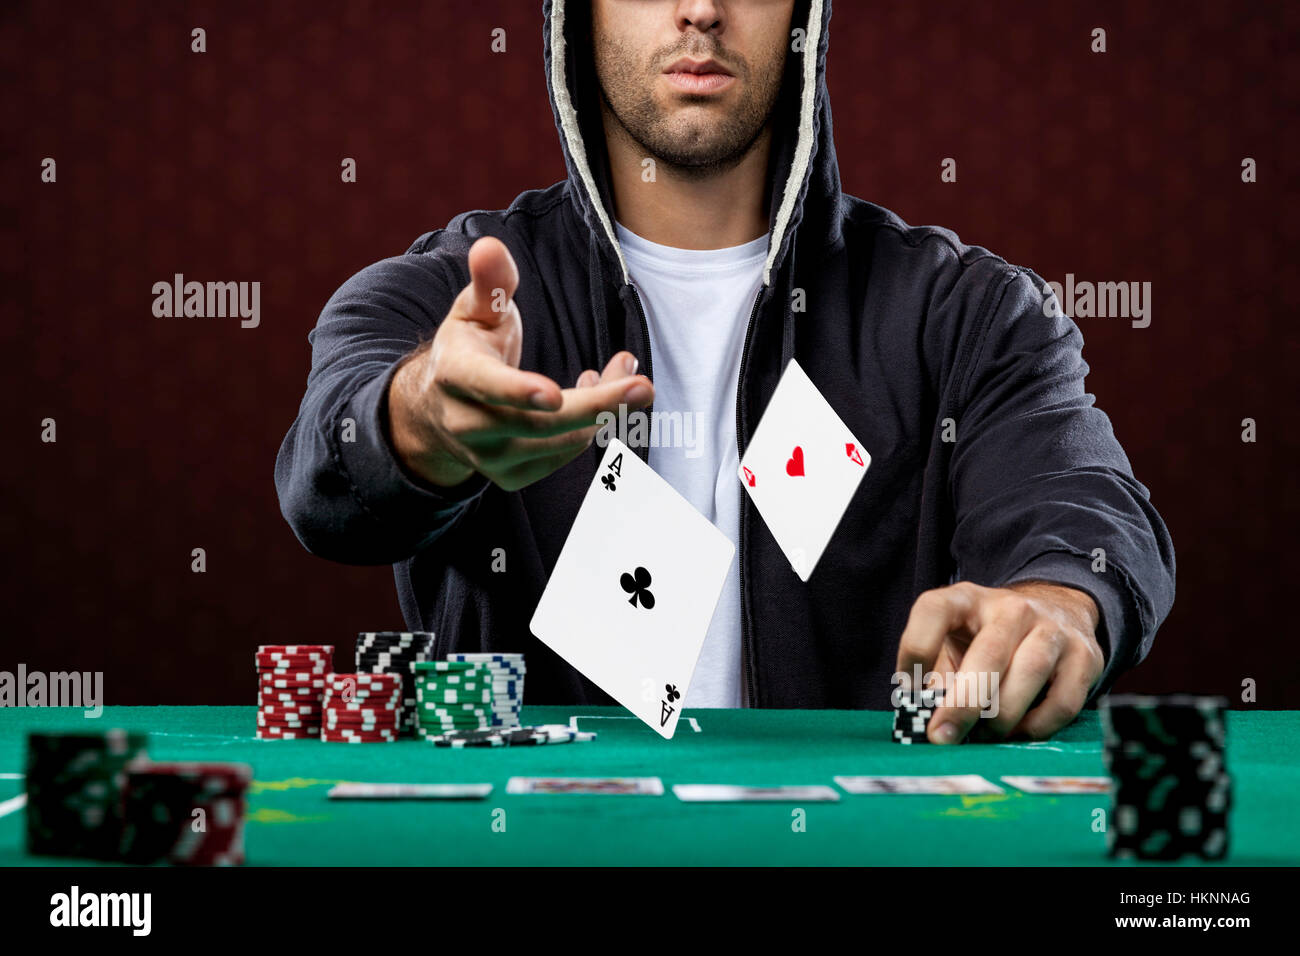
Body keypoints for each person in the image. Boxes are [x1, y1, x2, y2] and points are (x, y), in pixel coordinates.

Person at [275, 0, 1175, 742]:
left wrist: (1059, 600)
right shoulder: (448, 294)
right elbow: (324, 475)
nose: (699, 10)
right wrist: (424, 420)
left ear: (808, 17)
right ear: (572, 19)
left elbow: (1079, 499)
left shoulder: (966, 314)